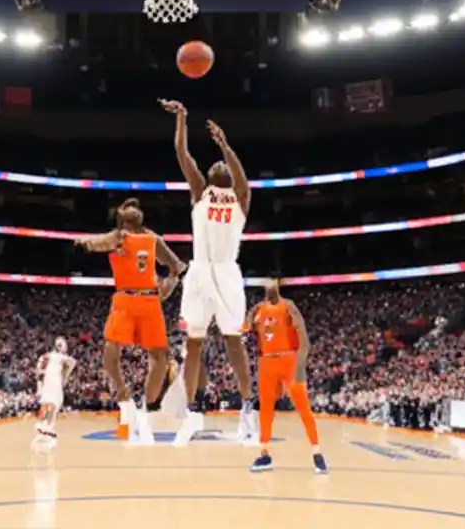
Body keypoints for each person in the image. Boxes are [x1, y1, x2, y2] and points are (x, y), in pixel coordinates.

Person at [159, 99, 257, 446]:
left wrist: (226, 146)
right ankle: (192, 413)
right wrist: (183, 119)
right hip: (200, 272)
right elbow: (181, 154)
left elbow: (243, 181)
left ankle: (248, 410)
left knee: (234, 342)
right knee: (193, 343)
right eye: (217, 162)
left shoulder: (240, 198)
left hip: (228, 272)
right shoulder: (200, 191)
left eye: (224, 164)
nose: (218, 164)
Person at [75, 198, 186, 444]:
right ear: (124, 219)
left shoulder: (152, 239)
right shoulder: (119, 237)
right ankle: (125, 398)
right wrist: (86, 243)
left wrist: (171, 281)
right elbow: (101, 242)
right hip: (125, 299)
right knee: (109, 351)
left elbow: (177, 265)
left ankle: (146, 409)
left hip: (149, 300)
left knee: (160, 357)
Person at [243, 279, 325, 474]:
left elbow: (304, 338)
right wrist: (249, 316)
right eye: (266, 285)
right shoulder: (259, 310)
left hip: (289, 360)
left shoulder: (289, 306)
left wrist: (300, 366)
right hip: (267, 363)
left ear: (278, 288)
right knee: (265, 409)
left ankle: (317, 453)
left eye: (272, 284)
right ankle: (264, 455)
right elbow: (247, 328)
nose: (269, 287)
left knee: (303, 407)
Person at [32, 337, 77, 451]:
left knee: (49, 403)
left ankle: (44, 427)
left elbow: (38, 373)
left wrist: (39, 386)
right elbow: (72, 362)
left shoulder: (46, 357)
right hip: (53, 382)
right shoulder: (57, 357)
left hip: (49, 382)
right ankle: (46, 428)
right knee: (52, 403)